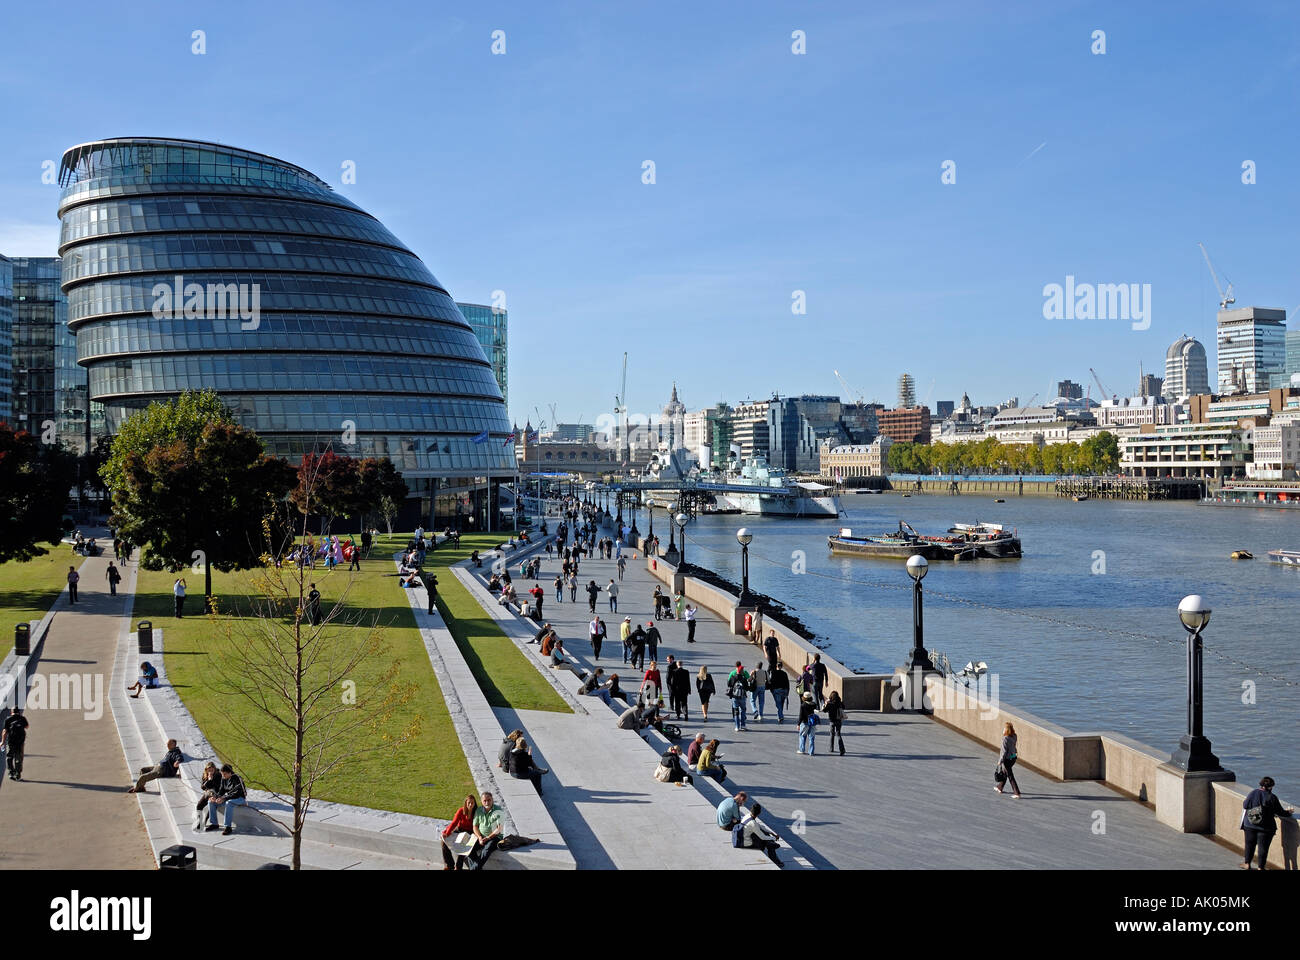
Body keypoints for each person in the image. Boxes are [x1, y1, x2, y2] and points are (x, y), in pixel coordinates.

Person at [1240, 776, 1294, 869]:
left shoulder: (1253, 793)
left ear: (1261, 785)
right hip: (1266, 828)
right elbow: (1280, 812)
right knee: (1263, 848)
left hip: (1250, 824)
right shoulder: (1272, 797)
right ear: (1271, 787)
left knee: (1249, 844)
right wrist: (1289, 812)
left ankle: (1247, 864)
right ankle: (1260, 867)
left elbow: (1245, 805)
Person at [441, 794, 479, 870]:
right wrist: (447, 833)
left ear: (475, 803)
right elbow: (454, 823)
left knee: (462, 844)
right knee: (443, 842)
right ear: (466, 803)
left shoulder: (476, 812)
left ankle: (458, 867)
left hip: (470, 832)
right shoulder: (461, 810)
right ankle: (449, 865)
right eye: (469, 803)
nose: (470, 804)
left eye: (472, 803)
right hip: (459, 830)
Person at [467, 792, 504, 870]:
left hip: (495, 837)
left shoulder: (498, 810)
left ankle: (473, 869)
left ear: (492, 800)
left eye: (489, 800)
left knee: (486, 850)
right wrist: (480, 837)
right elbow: (475, 826)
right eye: (484, 801)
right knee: (468, 849)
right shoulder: (478, 810)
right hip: (481, 837)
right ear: (481, 801)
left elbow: (499, 829)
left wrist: (488, 838)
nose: (487, 802)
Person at [741, 803, 783, 867]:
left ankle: (770, 844)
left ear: (751, 810)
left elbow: (760, 826)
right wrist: (774, 838)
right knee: (766, 840)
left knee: (765, 833)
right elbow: (762, 837)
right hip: (747, 842)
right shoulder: (753, 823)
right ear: (759, 813)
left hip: (745, 836)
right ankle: (775, 860)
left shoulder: (748, 816)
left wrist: (771, 833)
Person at [995, 721, 1022, 798]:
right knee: (1005, 772)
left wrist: (999, 762)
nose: (1003, 729)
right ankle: (999, 787)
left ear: (1006, 730)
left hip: (1007, 760)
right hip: (1013, 757)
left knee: (1010, 776)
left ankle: (1017, 793)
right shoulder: (1014, 736)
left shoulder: (1005, 739)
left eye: (1004, 728)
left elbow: (1003, 752)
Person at [1, 708, 29, 781]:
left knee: (9, 757)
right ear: (19, 712)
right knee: (18, 758)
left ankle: (11, 772)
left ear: (11, 712)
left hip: (11, 742)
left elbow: (4, 732)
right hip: (20, 742)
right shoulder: (22, 718)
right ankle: (18, 774)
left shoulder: (8, 719)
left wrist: (2, 742)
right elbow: (27, 726)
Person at [727, 661, 750, 732]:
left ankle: (737, 726)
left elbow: (728, 684)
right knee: (743, 710)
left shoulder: (733, 677)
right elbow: (747, 688)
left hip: (734, 697)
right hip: (742, 697)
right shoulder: (743, 679)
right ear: (741, 671)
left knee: (736, 711)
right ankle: (743, 725)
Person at [824, 689, 846, 756]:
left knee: (832, 734)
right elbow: (844, 707)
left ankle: (831, 748)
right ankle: (842, 749)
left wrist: (826, 703)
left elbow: (824, 710)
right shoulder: (840, 703)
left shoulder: (830, 704)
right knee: (838, 734)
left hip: (832, 721)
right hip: (839, 720)